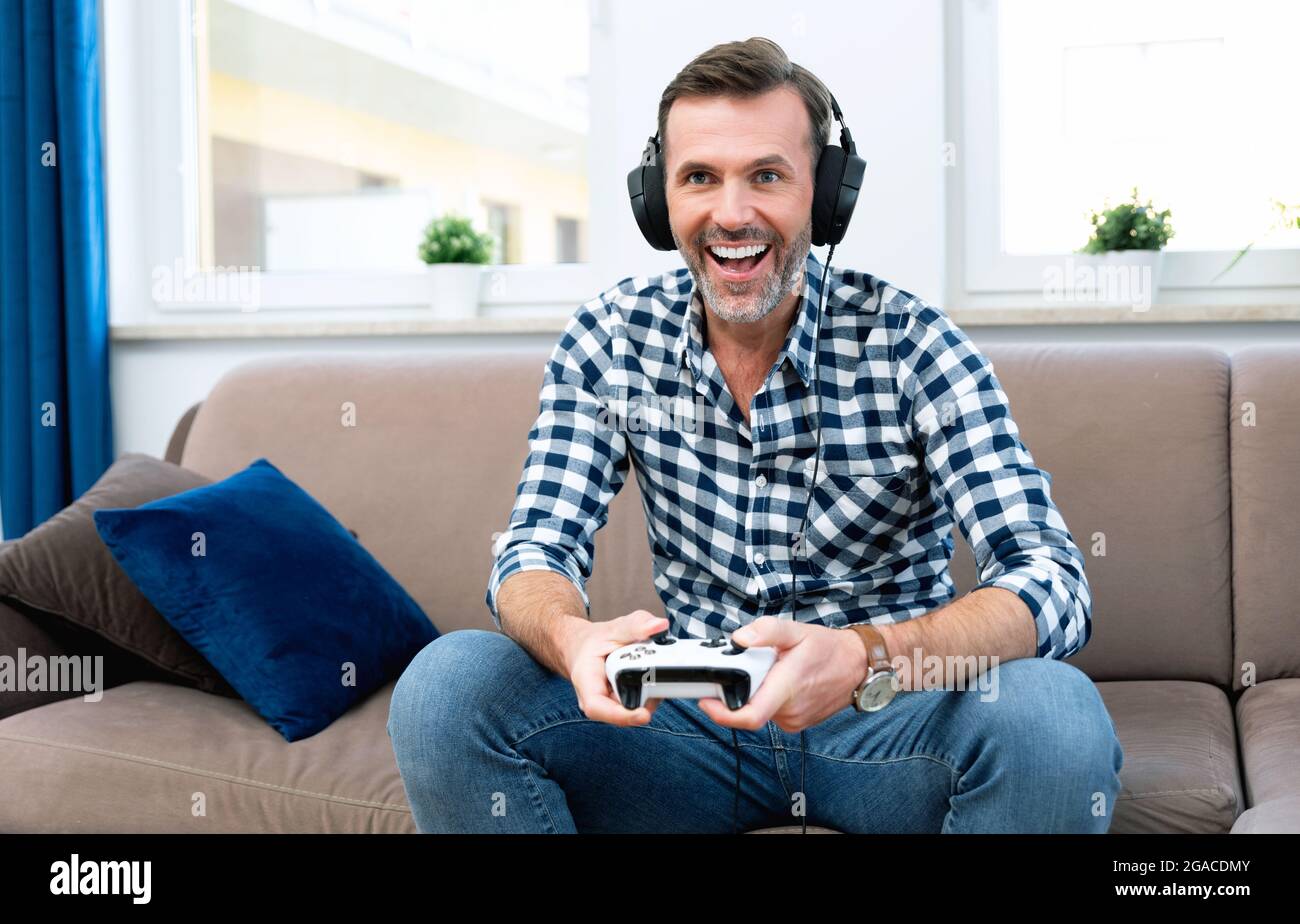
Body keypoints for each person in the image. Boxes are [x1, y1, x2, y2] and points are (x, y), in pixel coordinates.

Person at [387, 36, 1123, 834]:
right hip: (684, 733)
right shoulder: (611, 339)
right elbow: (534, 549)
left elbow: (1051, 579)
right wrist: (569, 636)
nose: (731, 214)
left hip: (886, 722)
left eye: (767, 176)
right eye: (700, 178)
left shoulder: (916, 344)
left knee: (1053, 712)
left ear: (825, 194)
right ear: (658, 200)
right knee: (449, 684)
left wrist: (869, 655)